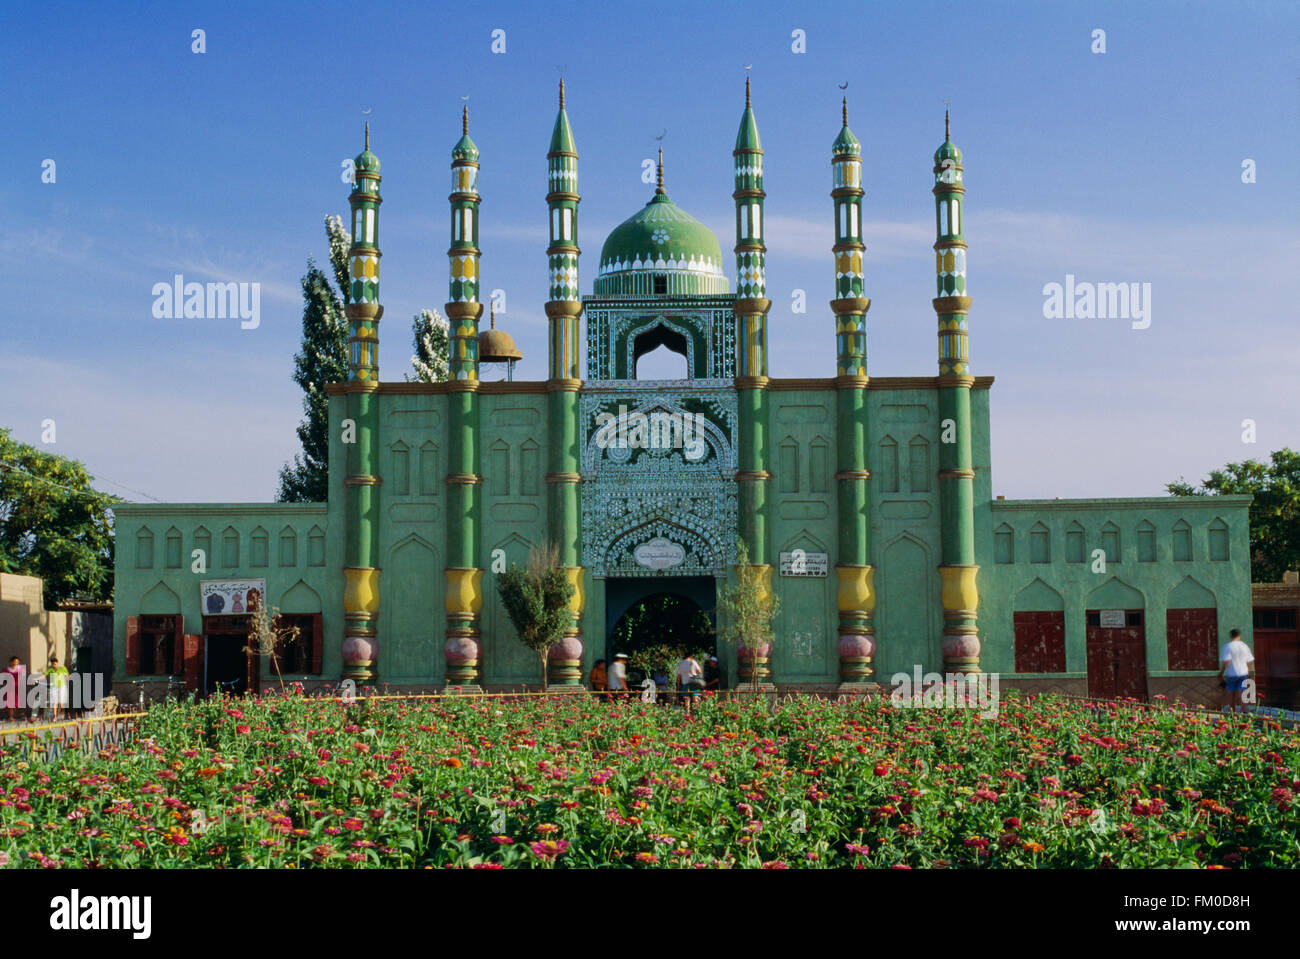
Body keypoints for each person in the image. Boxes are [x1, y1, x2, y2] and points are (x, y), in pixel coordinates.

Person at [1218, 628, 1255, 713]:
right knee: (1241, 692)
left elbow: (1226, 661)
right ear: (1239, 636)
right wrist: (1249, 671)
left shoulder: (1228, 646)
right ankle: (1244, 710)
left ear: (1230, 636)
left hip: (1232, 673)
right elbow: (1249, 661)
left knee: (1231, 693)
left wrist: (1221, 673)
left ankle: (1232, 711)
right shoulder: (1244, 646)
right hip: (1243, 673)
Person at [46, 657, 70, 721]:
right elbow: (44, 675)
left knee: (60, 703)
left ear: (57, 663)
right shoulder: (50, 670)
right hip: (54, 687)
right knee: (54, 702)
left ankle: (57, 715)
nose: (53, 665)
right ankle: (54, 716)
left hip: (62, 687)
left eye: (54, 664)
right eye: (52, 664)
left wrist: (67, 677)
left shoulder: (62, 668)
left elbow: (67, 675)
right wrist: (36, 679)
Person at [3, 657, 25, 723]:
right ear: (11, 662)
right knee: (10, 703)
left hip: (18, 687)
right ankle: (11, 716)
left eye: (17, 661)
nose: (16, 663)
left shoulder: (21, 669)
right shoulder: (6, 669)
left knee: (20, 702)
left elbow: (23, 677)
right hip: (10, 688)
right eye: (15, 661)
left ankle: (22, 715)